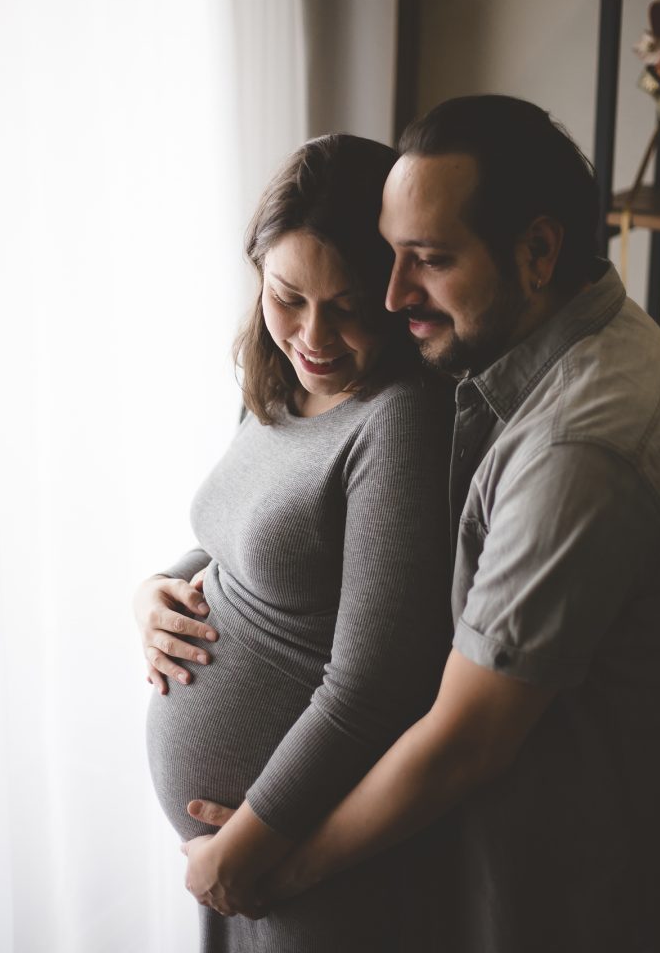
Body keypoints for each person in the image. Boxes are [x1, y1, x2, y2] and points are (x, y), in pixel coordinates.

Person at [186, 96, 660, 953]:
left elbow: (464, 740)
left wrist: (283, 865)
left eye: (427, 261)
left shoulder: (579, 449)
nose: (391, 297)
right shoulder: (525, 357)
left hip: (577, 891)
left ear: (538, 252)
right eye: (392, 256)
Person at [135, 133, 454, 952]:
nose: (313, 335)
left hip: (303, 864)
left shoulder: (399, 420)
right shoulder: (280, 385)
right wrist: (157, 591)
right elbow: (246, 541)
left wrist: (249, 843)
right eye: (287, 297)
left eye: (347, 306)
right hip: (240, 855)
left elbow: (372, 689)